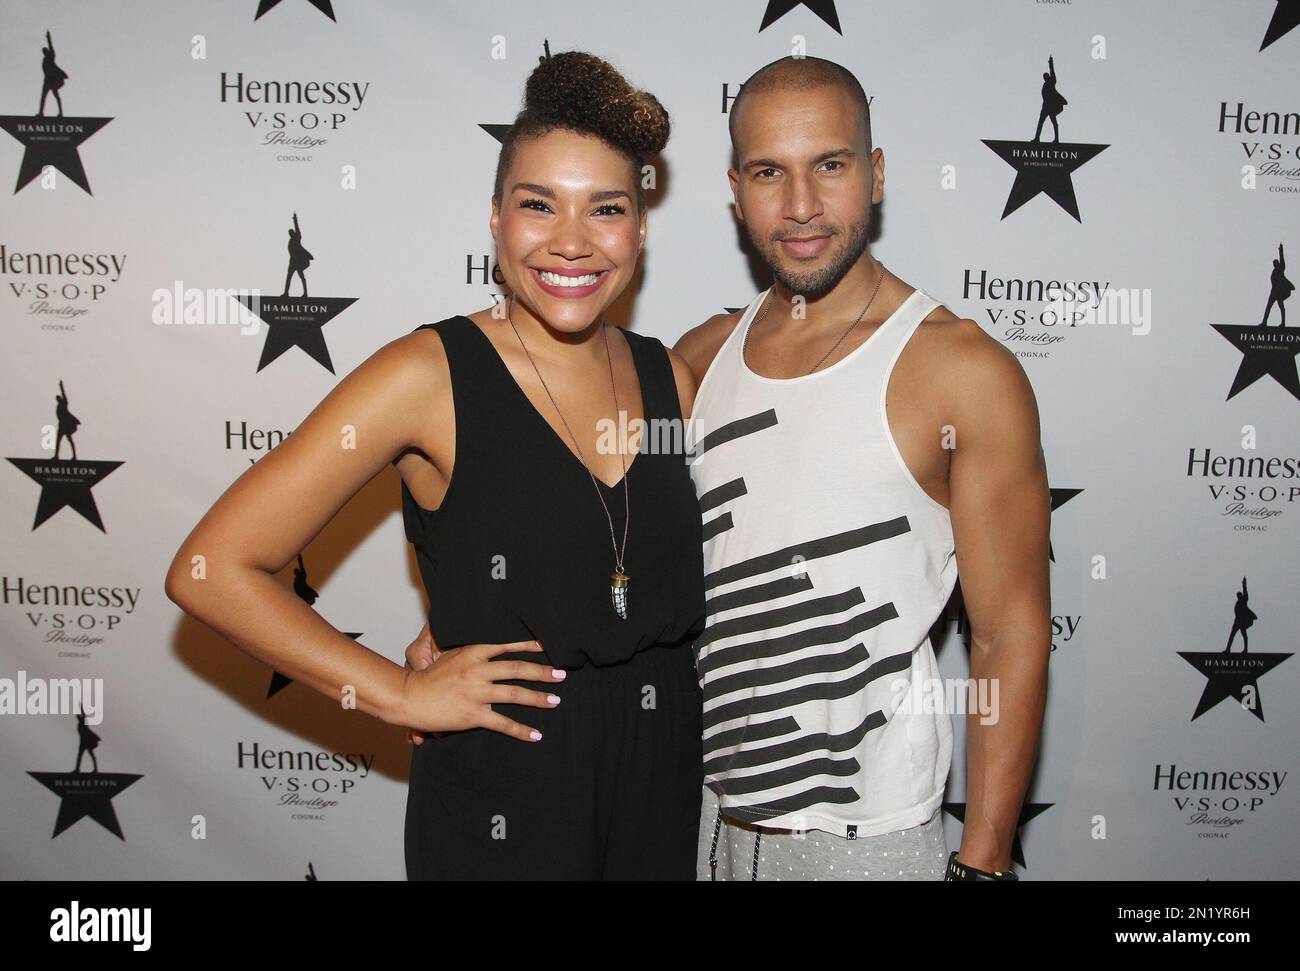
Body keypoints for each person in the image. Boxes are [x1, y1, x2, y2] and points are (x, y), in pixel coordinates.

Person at [165, 50, 706, 880]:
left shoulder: (670, 375)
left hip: (661, 790)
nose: (572, 240)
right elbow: (210, 569)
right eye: (538, 205)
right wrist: (398, 692)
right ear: (495, 219)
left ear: (640, 226)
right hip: (508, 799)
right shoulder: (427, 376)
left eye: (606, 208)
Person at [672, 55, 1051, 881]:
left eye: (830, 166)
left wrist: (982, 865)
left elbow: (1008, 632)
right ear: (736, 191)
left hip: (864, 842)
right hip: (702, 816)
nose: (801, 205)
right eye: (770, 172)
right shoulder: (701, 359)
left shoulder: (963, 371)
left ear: (874, 175)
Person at [1032, 55, 1067, 144]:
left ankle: (1057, 139)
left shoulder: (1052, 82)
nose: (1045, 77)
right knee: (1040, 123)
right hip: (1045, 107)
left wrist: (1051, 63)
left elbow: (1052, 71)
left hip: (1051, 107)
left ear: (1048, 77)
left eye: (1046, 76)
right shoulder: (1044, 85)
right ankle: (1037, 138)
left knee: (1054, 123)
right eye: (1044, 76)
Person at [1261, 243, 1292, 326]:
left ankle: (1283, 323)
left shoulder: (1281, 268)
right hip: (1274, 292)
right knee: (1268, 307)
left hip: (1279, 292)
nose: (1274, 264)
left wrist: (1281, 250)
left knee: (1281, 306)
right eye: (1274, 263)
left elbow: (1282, 258)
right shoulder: (1274, 272)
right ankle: (1264, 322)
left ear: (1278, 263)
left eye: (1276, 263)